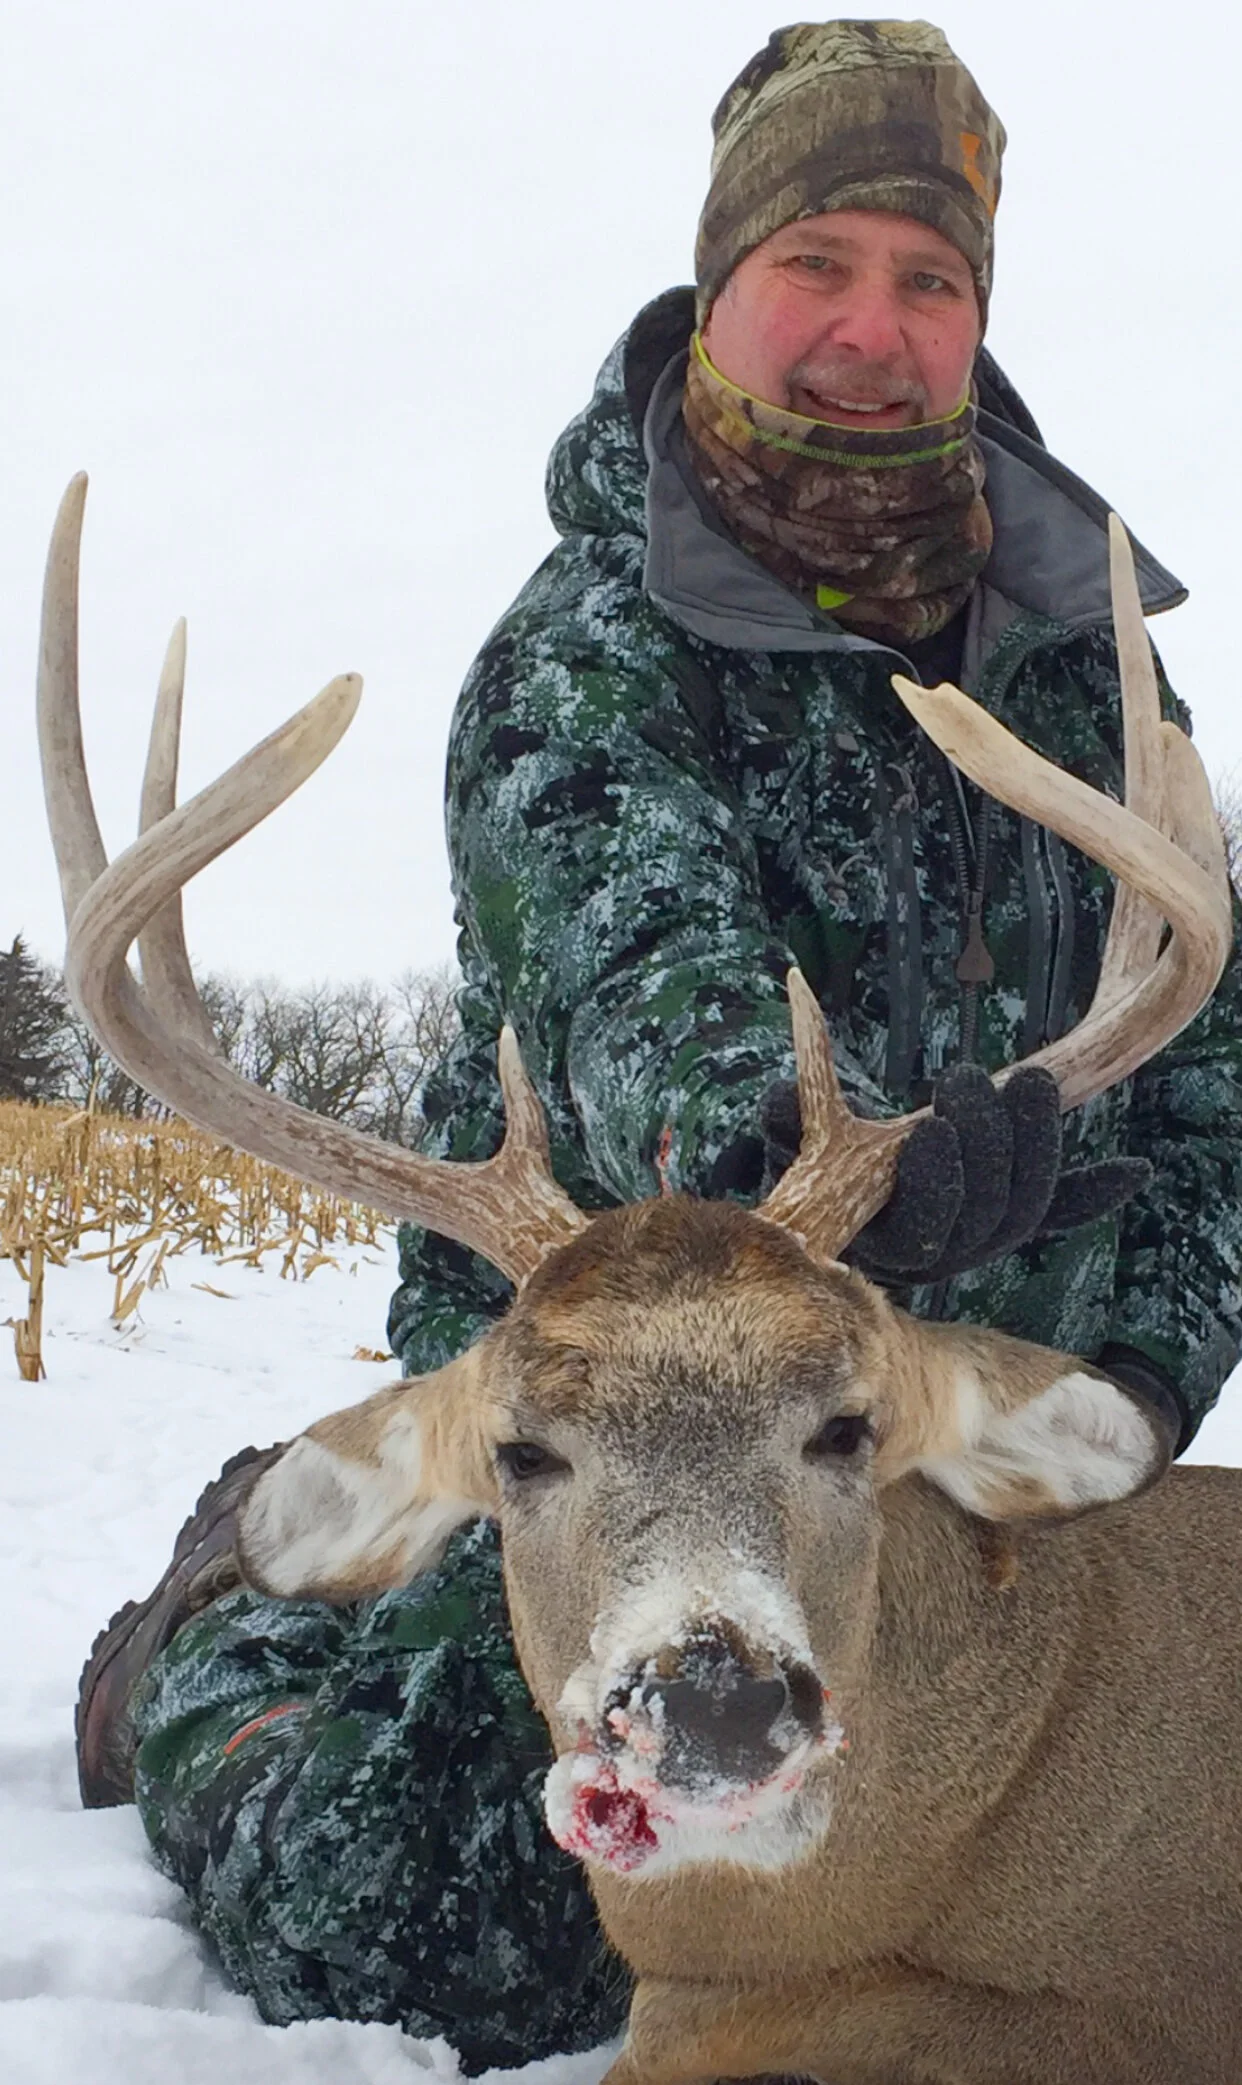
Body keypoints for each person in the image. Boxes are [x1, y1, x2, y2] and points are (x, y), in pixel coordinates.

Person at [75, 20, 1242, 2072]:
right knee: (464, 1918)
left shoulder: (1095, 683)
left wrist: (1134, 1383)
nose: (872, 329)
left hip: (959, 1452)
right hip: (612, 1425)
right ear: (719, 291)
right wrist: (862, 1171)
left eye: (930, 278)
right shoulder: (578, 667)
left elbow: (1217, 1071)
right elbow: (658, 1040)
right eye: (819, 266)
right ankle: (219, 1647)